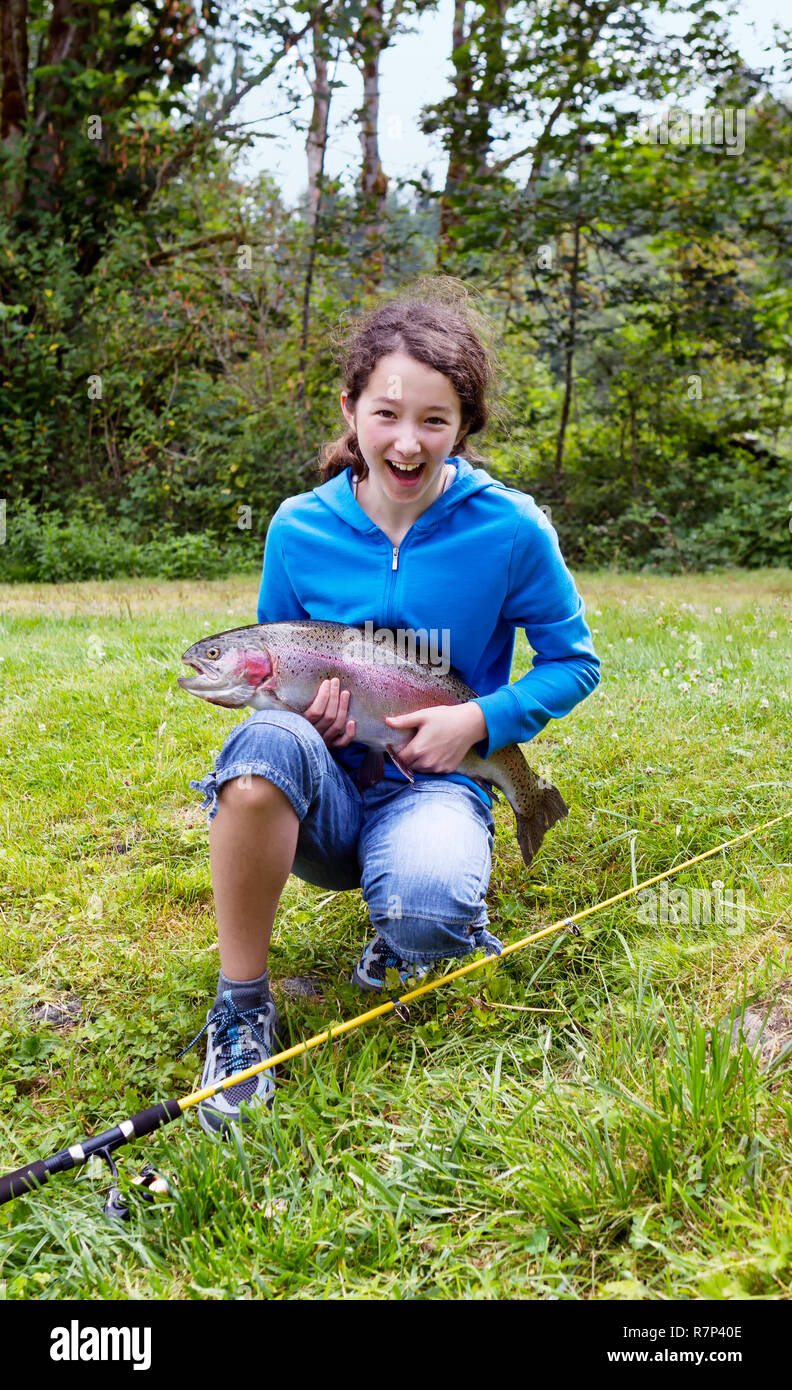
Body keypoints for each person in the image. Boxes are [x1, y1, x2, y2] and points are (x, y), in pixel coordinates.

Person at [183, 278, 601, 1135]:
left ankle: (405, 914)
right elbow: (276, 672)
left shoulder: (512, 528)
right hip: (328, 790)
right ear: (350, 409)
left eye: (435, 421)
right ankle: (240, 1004)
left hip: (438, 781)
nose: (408, 442)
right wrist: (307, 722)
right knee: (262, 743)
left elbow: (573, 665)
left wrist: (476, 722)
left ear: (466, 426)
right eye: (386, 415)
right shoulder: (299, 527)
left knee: (430, 914)